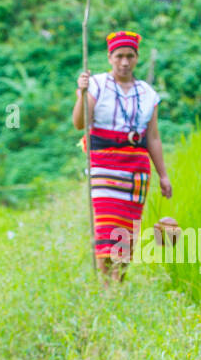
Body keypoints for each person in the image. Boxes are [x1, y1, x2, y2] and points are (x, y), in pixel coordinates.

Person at [72, 30, 173, 282]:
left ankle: (120, 281)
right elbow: (79, 123)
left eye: (130, 56)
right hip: (103, 165)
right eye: (119, 56)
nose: (124, 62)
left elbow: (153, 137)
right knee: (106, 225)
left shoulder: (147, 93)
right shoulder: (95, 85)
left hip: (136, 169)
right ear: (110, 58)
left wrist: (163, 175)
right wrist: (82, 94)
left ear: (137, 58)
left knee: (128, 229)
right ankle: (107, 285)